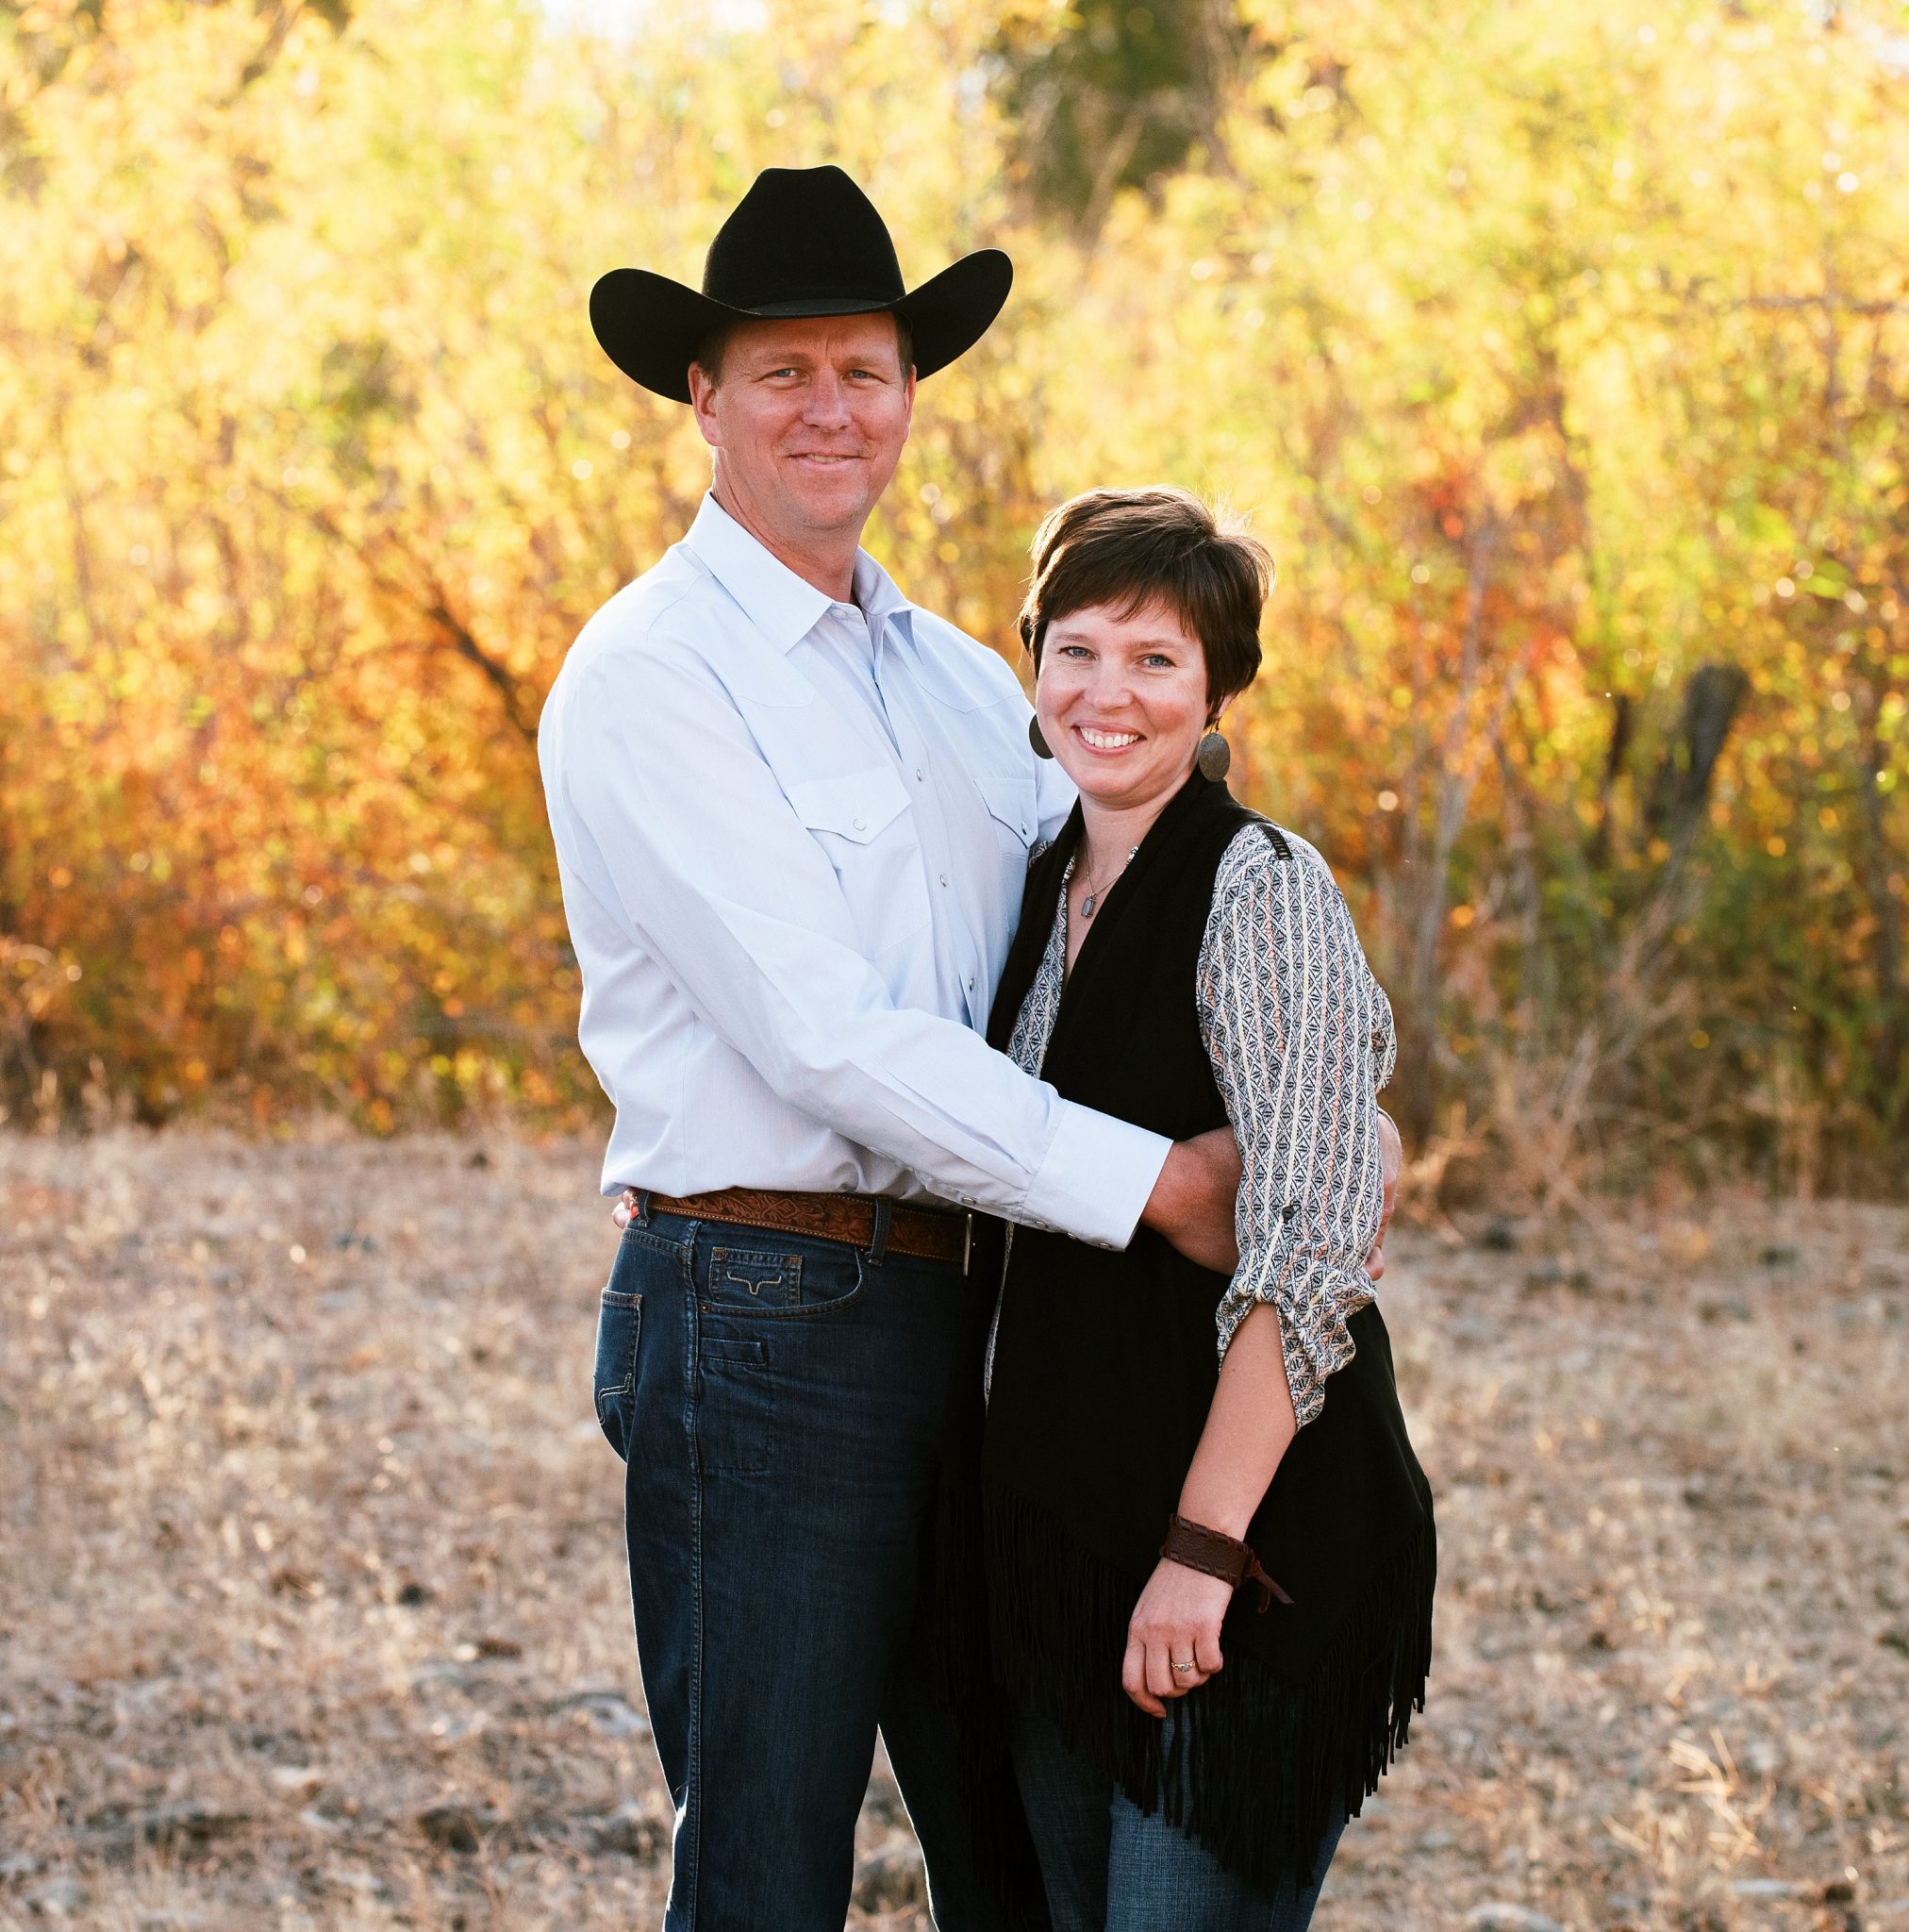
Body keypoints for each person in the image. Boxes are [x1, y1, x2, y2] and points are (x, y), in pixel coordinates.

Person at [538, 166, 1263, 1932]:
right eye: (780, 372)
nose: (830, 409)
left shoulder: (955, 677)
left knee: (1018, 1840)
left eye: (862, 368)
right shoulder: (653, 676)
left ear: (910, 393)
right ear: (699, 401)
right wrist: (1155, 1181)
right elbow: (824, 1039)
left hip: (987, 1314)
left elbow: (1135, 876)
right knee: (774, 1857)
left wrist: (1311, 1084)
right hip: (764, 1312)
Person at [973, 488, 1436, 1930]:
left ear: (1218, 688)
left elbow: (1305, 1257)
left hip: (1248, 1549)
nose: (1109, 694)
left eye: (1158, 660)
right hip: (1069, 1534)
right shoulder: (1037, 882)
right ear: (1034, 659)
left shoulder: (1261, 891)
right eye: (1081, 650)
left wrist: (1203, 1551)